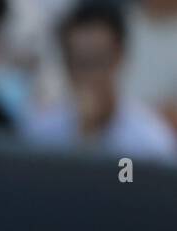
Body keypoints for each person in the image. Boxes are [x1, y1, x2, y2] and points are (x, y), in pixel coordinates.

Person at [20, 1, 177, 162]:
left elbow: (129, 181)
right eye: (81, 63)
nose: (90, 76)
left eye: (99, 61)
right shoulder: (40, 134)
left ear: (119, 57)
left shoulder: (151, 143)